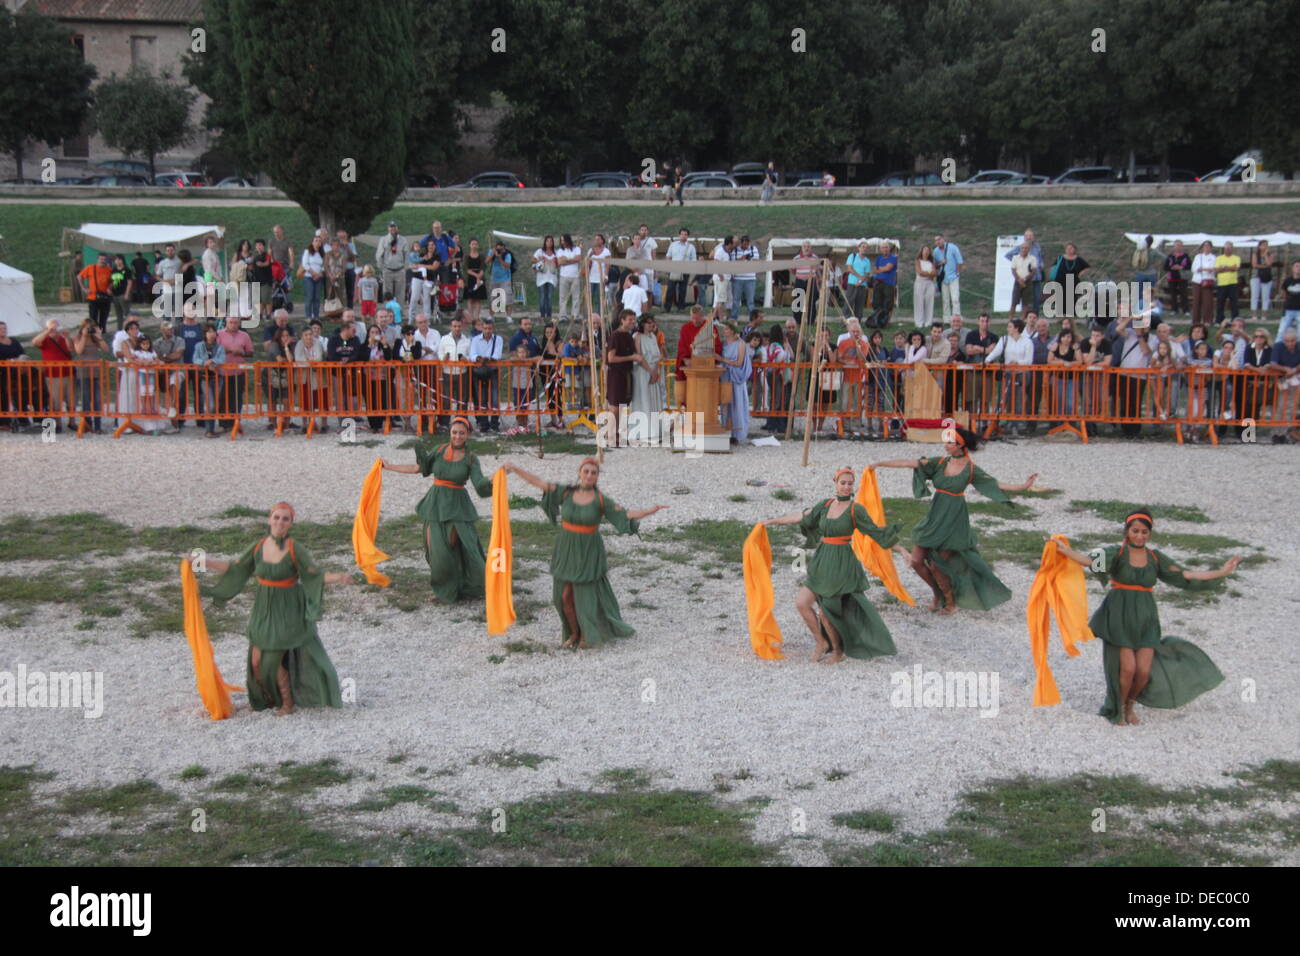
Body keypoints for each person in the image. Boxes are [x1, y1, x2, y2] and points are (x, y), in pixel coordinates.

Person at [1050, 511, 1237, 726]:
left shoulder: (1155, 557)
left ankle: (1130, 704)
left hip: (1146, 617)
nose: (1139, 536)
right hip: (1120, 615)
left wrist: (1221, 573)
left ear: (1149, 533)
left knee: (1143, 671)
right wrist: (1066, 550)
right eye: (1135, 531)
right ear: (1127, 531)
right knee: (1128, 668)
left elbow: (1186, 574)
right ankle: (1118, 707)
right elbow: (1089, 561)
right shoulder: (1116, 553)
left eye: (1144, 532)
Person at [200, 503, 352, 715]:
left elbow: (313, 576)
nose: (280, 522)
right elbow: (235, 568)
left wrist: (337, 577)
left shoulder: (294, 548)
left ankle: (287, 704)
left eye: (285, 519)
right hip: (263, 607)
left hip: (287, 608)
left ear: (291, 523)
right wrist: (203, 561)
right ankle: (268, 699)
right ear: (270, 519)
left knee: (270, 659)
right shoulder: (258, 546)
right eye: (277, 517)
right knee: (255, 663)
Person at [503, 458, 666, 649]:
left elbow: (624, 514)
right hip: (566, 547)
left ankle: (587, 635)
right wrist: (514, 468)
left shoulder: (600, 499)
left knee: (584, 595)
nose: (589, 475)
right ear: (580, 472)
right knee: (563, 597)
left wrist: (649, 511)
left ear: (597, 477)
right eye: (586, 471)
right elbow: (539, 483)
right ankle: (574, 632)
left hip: (588, 550)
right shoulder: (566, 492)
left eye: (593, 472)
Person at [873, 428, 1037, 614]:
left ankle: (950, 602)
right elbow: (910, 463)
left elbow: (995, 484)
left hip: (954, 520)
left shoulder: (971, 469)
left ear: (960, 445)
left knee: (937, 565)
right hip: (935, 516)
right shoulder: (940, 462)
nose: (945, 445)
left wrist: (1023, 486)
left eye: (950, 442)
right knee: (917, 560)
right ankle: (937, 593)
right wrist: (879, 463)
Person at [762, 467, 904, 663]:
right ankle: (822, 643)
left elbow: (876, 532)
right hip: (822, 560)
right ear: (835, 483)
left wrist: (902, 550)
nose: (846, 487)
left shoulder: (856, 510)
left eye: (849, 483)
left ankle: (838, 652)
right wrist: (771, 522)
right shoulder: (825, 505)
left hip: (841, 563)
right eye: (842, 483)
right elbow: (801, 517)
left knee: (827, 613)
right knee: (801, 603)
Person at [380, 418, 493, 603]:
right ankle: (444, 591)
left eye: (462, 433)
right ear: (450, 432)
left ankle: (468, 585)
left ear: (468, 435)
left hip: (457, 506)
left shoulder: (471, 458)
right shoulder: (439, 450)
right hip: (435, 504)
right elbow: (419, 468)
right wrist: (389, 466)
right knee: (437, 551)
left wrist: (497, 478)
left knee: (462, 548)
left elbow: (480, 484)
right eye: (454, 432)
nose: (457, 436)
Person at [603, 309, 644, 447]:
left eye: (634, 319)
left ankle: (617, 434)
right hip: (616, 374)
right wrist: (631, 357)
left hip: (626, 373)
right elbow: (611, 358)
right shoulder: (615, 336)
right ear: (622, 320)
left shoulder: (628, 335)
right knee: (614, 406)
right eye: (630, 319)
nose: (633, 322)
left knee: (621, 406)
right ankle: (610, 435)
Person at [31, 319, 75, 432]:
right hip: (53, 375)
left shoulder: (62, 339)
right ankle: (58, 423)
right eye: (53, 328)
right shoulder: (45, 339)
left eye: (56, 328)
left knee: (71, 399)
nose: (55, 330)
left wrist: (67, 337)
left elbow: (71, 349)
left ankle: (72, 422)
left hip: (67, 373)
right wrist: (48, 331)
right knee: (55, 400)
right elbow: (35, 342)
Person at [629, 315, 664, 444]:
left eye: (652, 323)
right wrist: (650, 371)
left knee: (653, 399)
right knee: (643, 399)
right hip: (642, 372)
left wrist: (655, 371)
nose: (651, 325)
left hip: (653, 370)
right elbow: (639, 356)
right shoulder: (637, 337)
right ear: (642, 324)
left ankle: (655, 430)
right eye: (648, 323)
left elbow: (658, 356)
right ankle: (642, 431)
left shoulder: (654, 336)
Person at [71, 318, 108, 434]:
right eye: (88, 327)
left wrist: (99, 336)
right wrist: (84, 336)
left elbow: (106, 349)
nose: (90, 329)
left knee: (97, 400)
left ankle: (98, 425)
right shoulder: (78, 337)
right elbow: (79, 350)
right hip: (83, 372)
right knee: (85, 400)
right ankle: (87, 424)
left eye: (92, 327)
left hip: (96, 372)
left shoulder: (95, 339)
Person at [718, 321, 752, 444]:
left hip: (736, 377)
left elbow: (739, 362)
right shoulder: (723, 344)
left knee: (737, 404)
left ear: (732, 330)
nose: (724, 331)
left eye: (726, 329)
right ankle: (726, 431)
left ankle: (737, 434)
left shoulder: (741, 343)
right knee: (726, 404)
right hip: (725, 376)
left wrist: (722, 359)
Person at [438, 312, 473, 430]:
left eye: (459, 326)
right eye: (454, 326)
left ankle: (461, 421)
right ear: (451, 327)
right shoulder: (444, 339)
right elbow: (440, 353)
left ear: (462, 327)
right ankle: (444, 423)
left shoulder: (467, 340)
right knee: (446, 398)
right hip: (447, 373)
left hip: (462, 373)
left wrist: (466, 359)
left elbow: (470, 356)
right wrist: (443, 358)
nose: (457, 328)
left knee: (462, 399)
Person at [293, 321, 329, 433]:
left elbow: (319, 358)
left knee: (322, 400)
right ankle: (305, 424)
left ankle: (324, 424)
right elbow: (298, 359)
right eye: (306, 335)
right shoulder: (299, 344)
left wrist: (308, 362)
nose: (309, 337)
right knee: (304, 401)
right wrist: (310, 362)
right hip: (303, 377)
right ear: (302, 336)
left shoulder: (317, 343)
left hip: (318, 376)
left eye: (310, 334)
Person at [469, 315, 503, 432]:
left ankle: (494, 424)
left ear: (492, 329)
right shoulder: (475, 339)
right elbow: (472, 355)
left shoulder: (498, 339)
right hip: (478, 372)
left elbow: (497, 355)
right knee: (481, 398)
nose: (488, 331)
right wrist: (479, 358)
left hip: (493, 370)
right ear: (482, 329)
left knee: (494, 398)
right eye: (485, 328)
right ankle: (483, 424)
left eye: (490, 328)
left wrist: (487, 359)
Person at [192, 324, 225, 437]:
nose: (211, 334)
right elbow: (195, 359)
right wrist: (204, 363)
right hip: (205, 378)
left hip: (217, 378)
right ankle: (208, 430)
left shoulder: (220, 347)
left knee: (214, 404)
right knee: (209, 404)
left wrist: (211, 362)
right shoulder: (199, 346)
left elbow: (222, 359)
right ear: (205, 334)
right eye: (208, 332)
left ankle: (211, 428)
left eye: (213, 331)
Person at [77, 252, 114, 333]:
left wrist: (109, 288)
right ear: (97, 259)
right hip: (93, 297)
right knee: (93, 318)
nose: (102, 261)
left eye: (104, 259)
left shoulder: (109, 270)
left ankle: (102, 334)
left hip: (105, 297)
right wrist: (84, 288)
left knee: (103, 318)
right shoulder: (91, 268)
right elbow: (79, 276)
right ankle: (93, 334)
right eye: (101, 259)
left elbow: (114, 281)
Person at [374, 221, 408, 302]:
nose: (393, 228)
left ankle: (399, 312)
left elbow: (407, 255)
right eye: (391, 227)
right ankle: (388, 312)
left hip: (400, 270)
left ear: (397, 228)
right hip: (388, 270)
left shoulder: (403, 240)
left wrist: (405, 268)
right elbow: (379, 255)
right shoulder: (383, 240)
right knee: (387, 293)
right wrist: (382, 268)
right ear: (388, 228)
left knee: (400, 294)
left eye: (394, 227)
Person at [932, 234, 963, 321]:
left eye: (939, 239)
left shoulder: (952, 247)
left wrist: (957, 273)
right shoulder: (935, 252)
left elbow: (959, 261)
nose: (938, 242)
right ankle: (946, 319)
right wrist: (941, 263)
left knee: (955, 299)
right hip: (943, 278)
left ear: (943, 239)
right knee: (945, 300)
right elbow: (935, 265)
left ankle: (956, 318)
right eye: (936, 240)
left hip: (953, 277)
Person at [731, 235, 760, 321]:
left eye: (747, 244)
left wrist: (748, 259)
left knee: (750, 301)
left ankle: (752, 318)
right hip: (738, 278)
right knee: (736, 300)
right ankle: (734, 317)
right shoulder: (735, 250)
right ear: (741, 243)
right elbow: (732, 262)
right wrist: (744, 258)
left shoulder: (753, 249)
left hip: (750, 278)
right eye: (744, 244)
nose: (746, 245)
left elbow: (756, 261)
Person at [554, 234, 582, 322]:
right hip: (564, 276)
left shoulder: (576, 249)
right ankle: (563, 316)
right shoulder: (560, 251)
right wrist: (572, 260)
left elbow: (578, 258)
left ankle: (575, 315)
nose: (563, 242)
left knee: (576, 296)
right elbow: (560, 262)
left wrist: (567, 260)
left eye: (564, 240)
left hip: (575, 275)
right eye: (561, 241)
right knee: (563, 297)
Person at [486, 241, 515, 321]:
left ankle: (508, 316)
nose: (499, 250)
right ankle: (491, 316)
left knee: (507, 298)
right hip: (494, 278)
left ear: (504, 248)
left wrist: (499, 257)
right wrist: (493, 253)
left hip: (505, 278)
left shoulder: (507, 254)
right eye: (497, 248)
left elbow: (507, 266)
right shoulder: (492, 252)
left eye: (500, 249)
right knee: (493, 297)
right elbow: (486, 261)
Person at [460, 238, 487, 325]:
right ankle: (471, 318)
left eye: (476, 244)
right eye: (472, 244)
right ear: (469, 245)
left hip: (480, 278)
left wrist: (479, 276)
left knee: (478, 299)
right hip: (470, 279)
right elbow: (465, 268)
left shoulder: (481, 256)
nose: (474, 246)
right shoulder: (466, 256)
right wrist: (476, 276)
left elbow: (483, 267)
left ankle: (477, 317)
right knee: (470, 299)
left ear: (478, 245)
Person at [1214, 241, 1241, 324]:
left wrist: (1224, 268)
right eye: (1226, 248)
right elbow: (1217, 270)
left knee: (1234, 303)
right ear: (1224, 249)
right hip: (1222, 283)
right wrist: (1230, 268)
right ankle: (1219, 319)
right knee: (1220, 303)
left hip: (1233, 283)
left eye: (1229, 248)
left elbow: (1236, 268)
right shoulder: (1218, 258)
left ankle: (1235, 319)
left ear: (1232, 249)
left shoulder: (1236, 258)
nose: (1227, 250)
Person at [845, 240, 873, 320]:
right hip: (852, 283)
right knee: (849, 302)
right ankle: (847, 320)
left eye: (866, 248)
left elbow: (867, 273)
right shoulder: (852, 256)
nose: (864, 249)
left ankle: (858, 321)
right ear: (859, 247)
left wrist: (861, 281)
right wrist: (859, 277)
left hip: (862, 285)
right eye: (863, 247)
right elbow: (849, 269)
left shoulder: (867, 260)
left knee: (860, 304)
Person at [871, 242, 898, 322]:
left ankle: (885, 321)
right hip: (878, 282)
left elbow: (888, 268)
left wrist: (880, 269)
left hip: (888, 283)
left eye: (886, 247)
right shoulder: (879, 258)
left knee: (887, 303)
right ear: (880, 249)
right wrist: (882, 268)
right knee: (876, 301)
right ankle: (876, 319)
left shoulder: (893, 258)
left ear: (889, 248)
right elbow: (874, 270)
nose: (885, 249)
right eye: (883, 247)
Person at [533, 235, 558, 319]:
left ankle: (549, 315)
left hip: (551, 277)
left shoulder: (556, 252)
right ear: (545, 242)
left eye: (551, 241)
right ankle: (542, 315)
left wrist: (555, 261)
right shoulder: (540, 251)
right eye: (548, 241)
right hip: (541, 278)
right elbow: (533, 260)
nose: (549, 243)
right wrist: (541, 259)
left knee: (549, 297)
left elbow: (559, 263)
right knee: (542, 297)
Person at [300, 235, 325, 320]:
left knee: (317, 298)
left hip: (319, 277)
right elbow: (305, 264)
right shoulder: (308, 251)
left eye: (319, 241)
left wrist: (319, 274)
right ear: (312, 242)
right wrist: (314, 274)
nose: (317, 242)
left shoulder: (322, 253)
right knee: (309, 297)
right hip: (309, 277)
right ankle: (308, 316)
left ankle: (316, 316)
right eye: (316, 240)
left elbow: (324, 265)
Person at [1164, 240, 1191, 317]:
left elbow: (1189, 266)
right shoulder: (1170, 256)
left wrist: (1181, 267)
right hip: (1172, 278)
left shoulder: (1185, 256)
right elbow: (1165, 267)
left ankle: (1186, 310)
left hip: (1182, 278)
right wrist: (1172, 267)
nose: (1178, 247)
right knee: (1173, 295)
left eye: (1180, 245)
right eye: (1176, 245)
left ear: (1182, 246)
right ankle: (1174, 309)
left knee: (1184, 294)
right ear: (1174, 247)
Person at [913, 244, 937, 328]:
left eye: (928, 250)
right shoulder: (918, 261)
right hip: (920, 283)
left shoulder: (931, 263)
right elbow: (920, 272)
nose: (926, 252)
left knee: (929, 302)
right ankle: (919, 322)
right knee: (919, 302)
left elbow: (934, 273)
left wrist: (927, 273)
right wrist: (929, 273)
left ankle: (928, 322)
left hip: (929, 284)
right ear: (922, 251)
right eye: (925, 250)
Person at [1250, 240, 1274, 322]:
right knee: (1255, 296)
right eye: (1263, 245)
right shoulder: (1255, 254)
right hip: (1256, 276)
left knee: (1265, 297)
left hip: (1266, 277)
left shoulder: (1270, 255)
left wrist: (1265, 255)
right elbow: (1254, 265)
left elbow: (1269, 264)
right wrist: (1264, 266)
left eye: (1266, 245)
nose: (1265, 246)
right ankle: (1254, 315)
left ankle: (1264, 315)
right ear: (1259, 246)